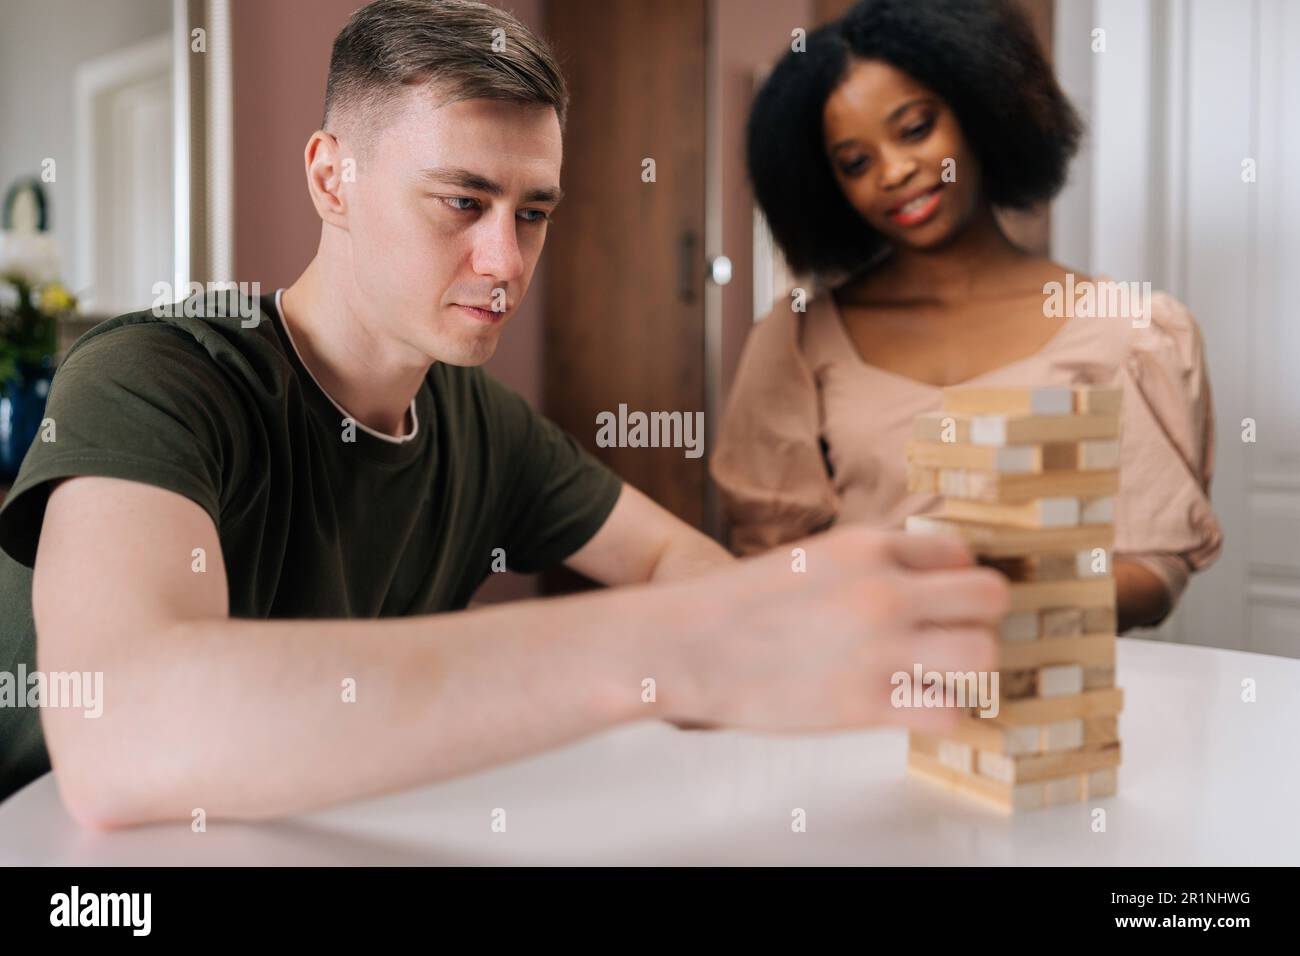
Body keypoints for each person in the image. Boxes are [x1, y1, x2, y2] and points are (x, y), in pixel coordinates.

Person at [0, 0, 1007, 823]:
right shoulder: (148, 375)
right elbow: (118, 727)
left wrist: (752, 635)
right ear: (330, 177)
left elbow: (667, 561)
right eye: (460, 201)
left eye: (533, 213)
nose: (506, 262)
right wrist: (673, 652)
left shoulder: (479, 419)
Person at [712, 0, 1222, 633]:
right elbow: (769, 557)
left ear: (978, 110)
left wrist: (991, 590)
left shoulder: (1128, 332)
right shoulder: (796, 339)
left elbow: (1153, 571)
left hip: (1047, 702)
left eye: (916, 128)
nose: (895, 172)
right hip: (854, 692)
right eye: (855, 163)